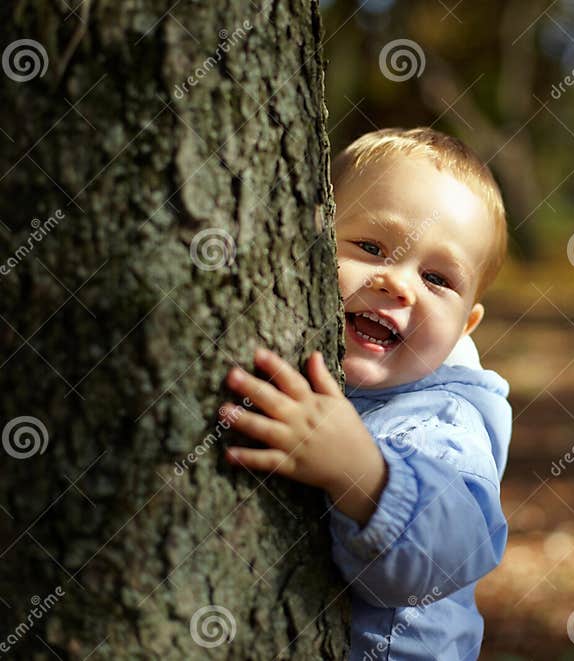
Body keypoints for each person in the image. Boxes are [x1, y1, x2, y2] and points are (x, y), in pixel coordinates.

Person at [218, 127, 511, 660]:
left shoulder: (444, 418)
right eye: (372, 247)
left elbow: (453, 549)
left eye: (437, 278)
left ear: (465, 328)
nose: (397, 284)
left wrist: (361, 471)